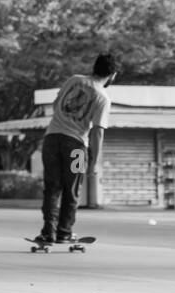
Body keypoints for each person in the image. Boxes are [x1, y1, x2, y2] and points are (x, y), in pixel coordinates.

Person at [36, 54, 117, 245]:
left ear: (93, 68)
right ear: (113, 75)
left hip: (51, 140)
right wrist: (94, 162)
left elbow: (57, 105)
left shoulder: (74, 80)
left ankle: (48, 231)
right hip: (77, 146)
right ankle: (64, 232)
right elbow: (97, 132)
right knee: (72, 189)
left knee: (52, 188)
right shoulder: (103, 98)